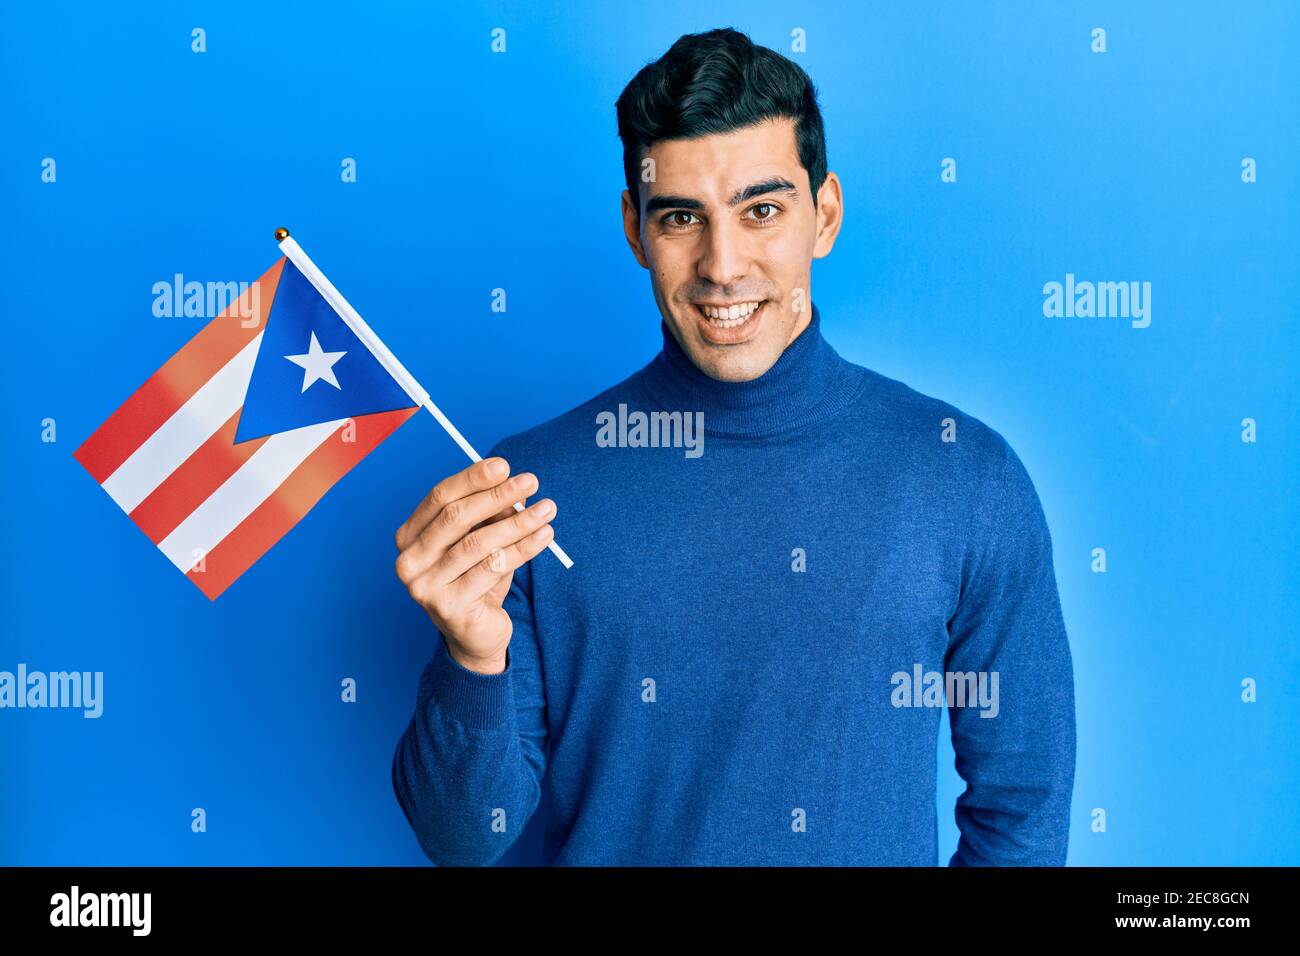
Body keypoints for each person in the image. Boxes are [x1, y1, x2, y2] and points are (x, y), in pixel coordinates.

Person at [390, 27, 1076, 866]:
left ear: (823, 216)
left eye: (762, 210)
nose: (722, 264)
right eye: (682, 218)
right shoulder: (530, 497)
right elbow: (466, 839)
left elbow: (1024, 812)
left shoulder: (963, 475)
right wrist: (470, 658)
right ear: (636, 231)